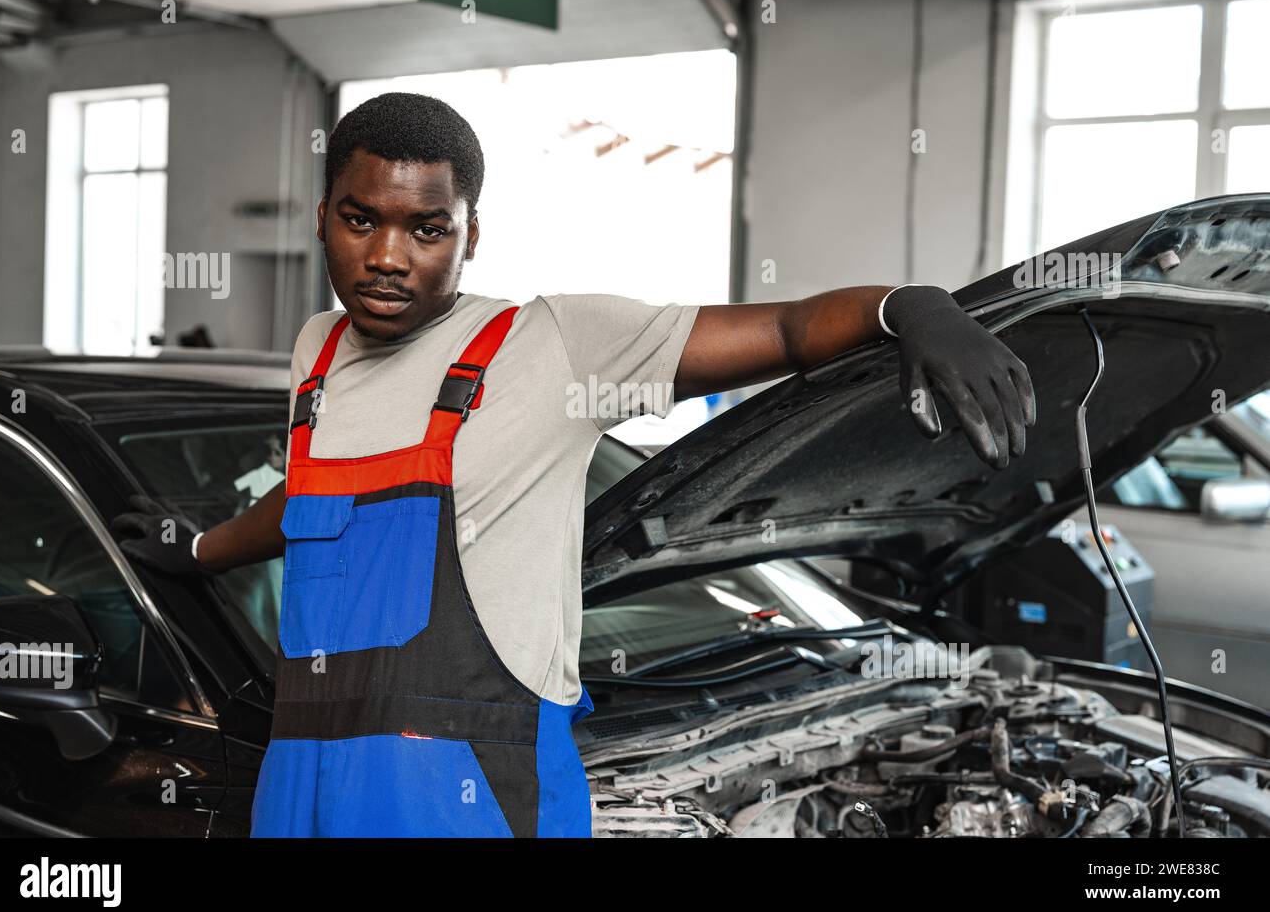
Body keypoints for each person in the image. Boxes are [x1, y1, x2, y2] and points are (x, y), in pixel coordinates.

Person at [113, 92, 1034, 837]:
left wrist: (914, 308)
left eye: (427, 229)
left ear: (472, 234)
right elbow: (317, 493)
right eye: (361, 220)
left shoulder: (555, 344)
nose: (388, 258)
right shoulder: (318, 349)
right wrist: (200, 554)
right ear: (324, 219)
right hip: (301, 785)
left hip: (473, 794)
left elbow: (788, 328)